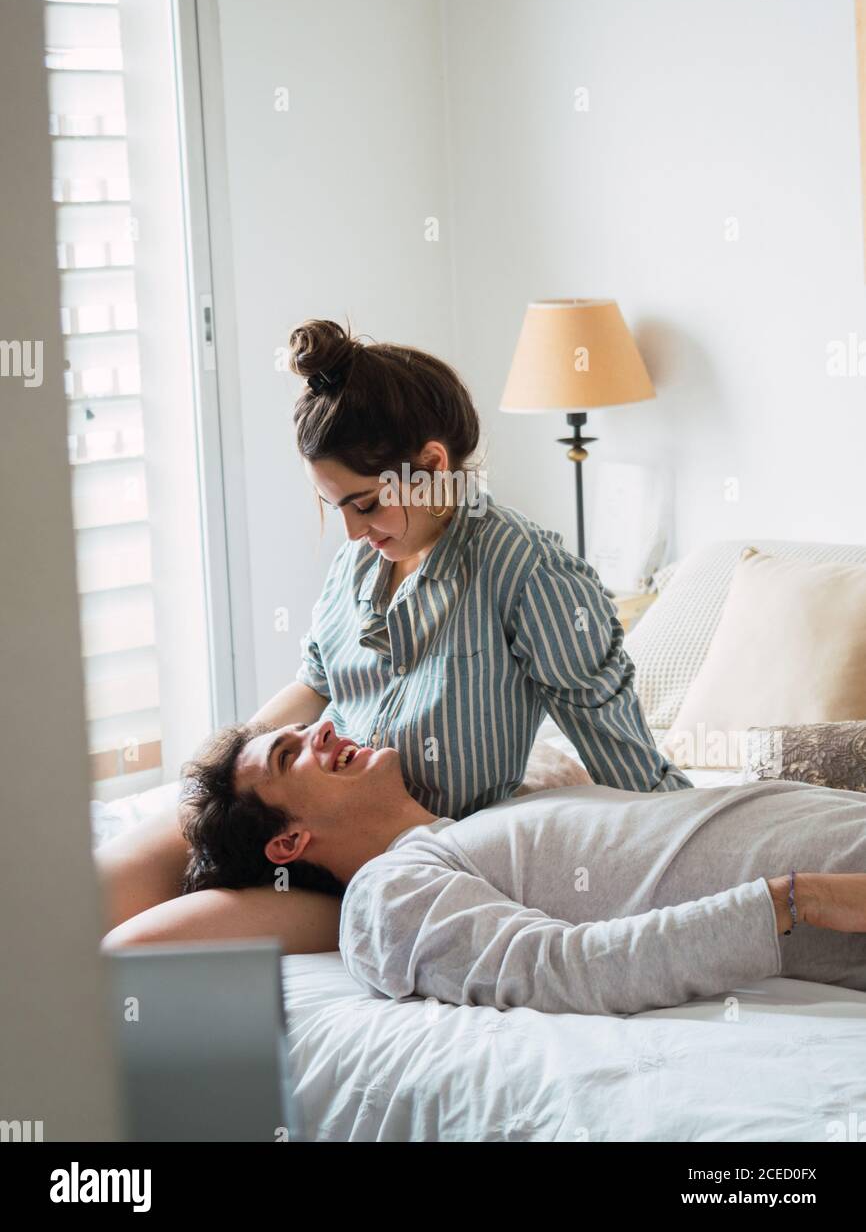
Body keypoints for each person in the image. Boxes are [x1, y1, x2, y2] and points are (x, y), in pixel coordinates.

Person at [97, 318, 691, 952]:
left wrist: (710, 845)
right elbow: (314, 683)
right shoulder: (360, 562)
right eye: (336, 508)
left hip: (379, 863)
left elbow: (623, 756)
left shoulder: (527, 573)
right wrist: (217, 778)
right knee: (81, 896)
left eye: (364, 504)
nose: (353, 532)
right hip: (297, 813)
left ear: (432, 465)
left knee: (130, 953)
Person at [105, 719, 866, 1018]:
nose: (323, 728)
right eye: (287, 753)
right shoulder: (387, 893)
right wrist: (796, 901)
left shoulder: (494, 810)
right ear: (286, 844)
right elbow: (567, 971)